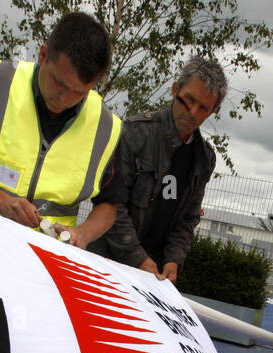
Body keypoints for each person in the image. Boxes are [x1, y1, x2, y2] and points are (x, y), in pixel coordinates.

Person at [0, 12, 123, 250]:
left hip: (45, 257)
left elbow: (109, 206)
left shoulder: (105, 127)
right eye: (59, 83)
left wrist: (83, 234)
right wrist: (1, 201)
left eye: (79, 93)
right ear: (43, 55)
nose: (64, 98)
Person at [89, 56, 227, 283]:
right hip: (106, 261)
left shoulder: (204, 158)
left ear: (212, 111)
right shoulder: (136, 132)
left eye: (203, 108)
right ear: (175, 90)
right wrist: (138, 258)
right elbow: (112, 204)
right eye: (188, 100)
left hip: (154, 275)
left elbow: (188, 220)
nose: (192, 112)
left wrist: (174, 260)